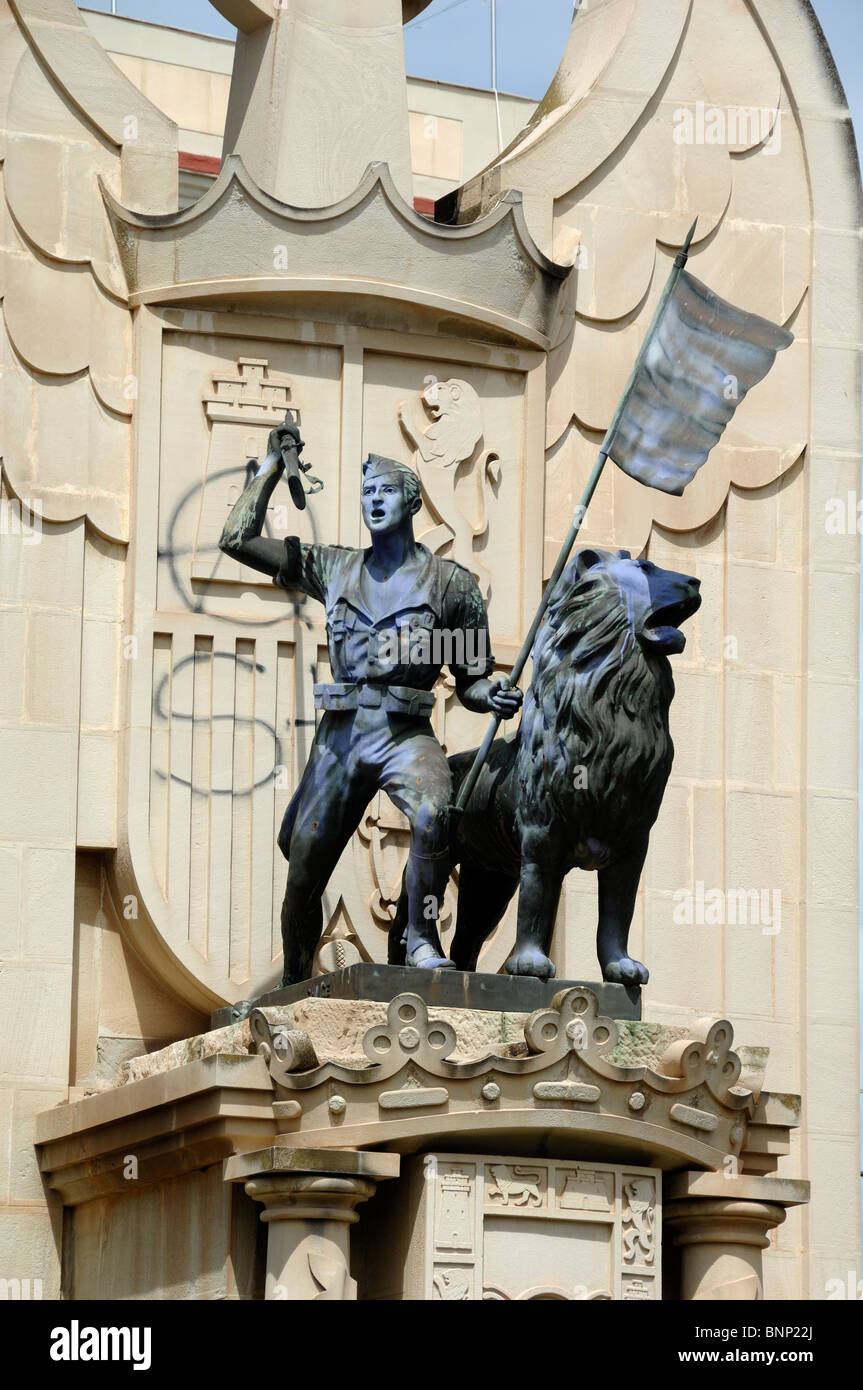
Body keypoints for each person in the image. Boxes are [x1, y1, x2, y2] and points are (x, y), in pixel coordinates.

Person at [219, 422, 522, 983]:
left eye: (384, 491)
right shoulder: (334, 568)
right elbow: (235, 541)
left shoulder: (453, 586)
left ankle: (423, 939)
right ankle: (293, 981)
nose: (374, 501)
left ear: (410, 501)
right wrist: (266, 468)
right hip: (342, 737)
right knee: (304, 871)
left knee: (436, 813)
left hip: (407, 734)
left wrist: (491, 692)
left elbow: (472, 677)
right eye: (367, 494)